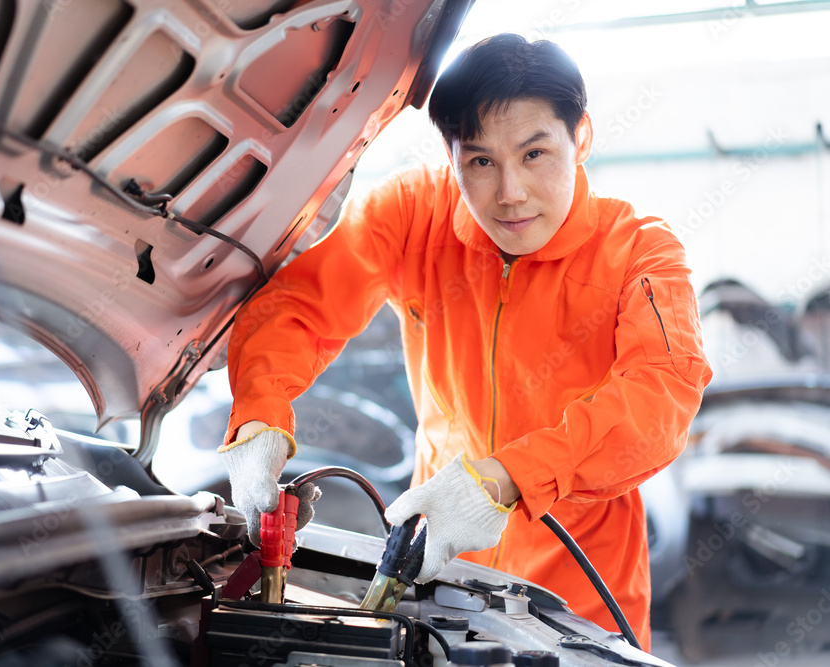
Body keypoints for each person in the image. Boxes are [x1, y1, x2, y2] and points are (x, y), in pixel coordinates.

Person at [217, 33, 712, 648]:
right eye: (480, 161)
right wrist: (258, 418)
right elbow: (299, 307)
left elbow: (660, 396)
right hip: (437, 568)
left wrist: (509, 477)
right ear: (449, 155)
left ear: (579, 136)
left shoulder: (641, 251)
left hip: (583, 593)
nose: (510, 193)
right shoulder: (410, 215)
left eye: (534, 154)